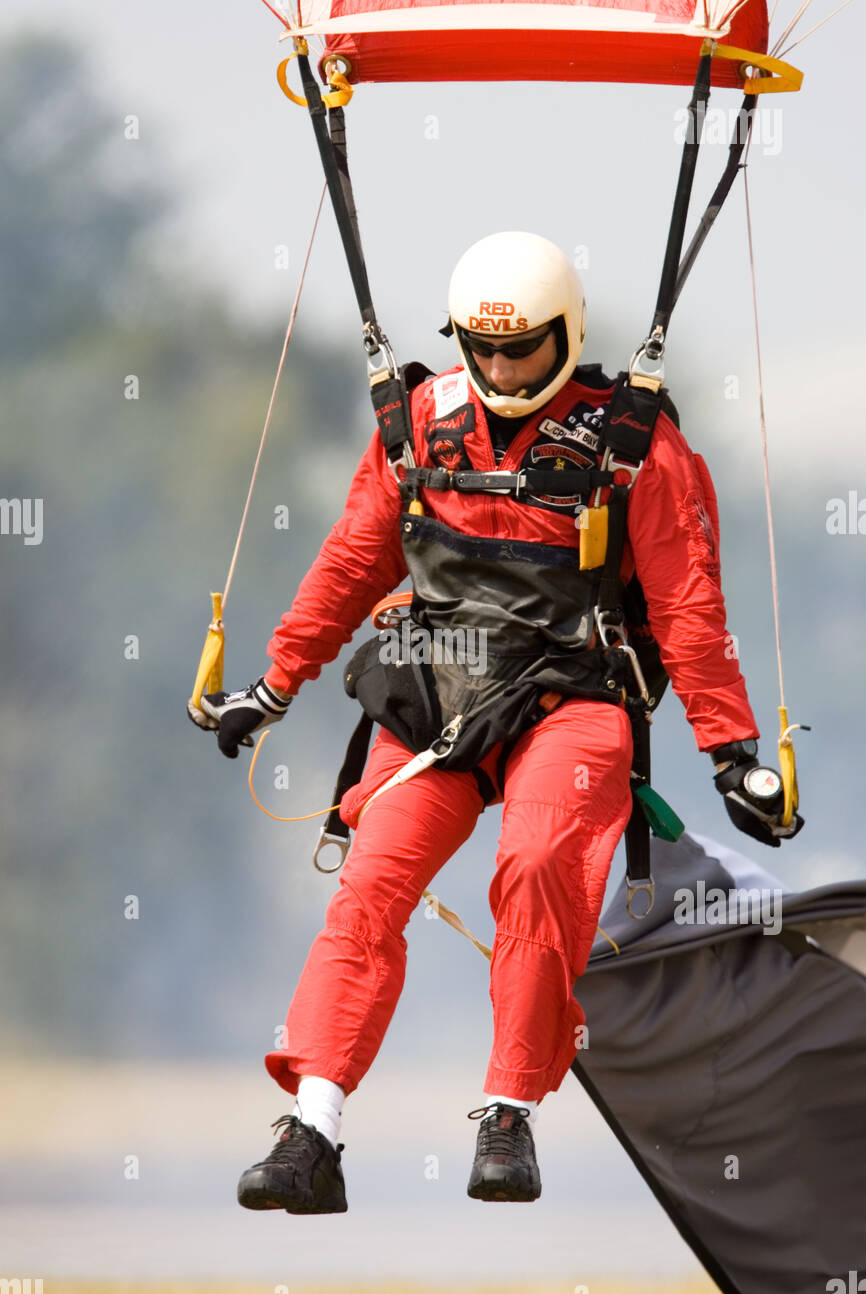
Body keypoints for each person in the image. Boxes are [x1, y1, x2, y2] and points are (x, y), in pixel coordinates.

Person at [190, 231, 802, 1215]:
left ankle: (508, 1108)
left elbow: (687, 604)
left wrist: (731, 751)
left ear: (568, 334)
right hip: (439, 701)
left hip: (571, 702)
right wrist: (272, 683)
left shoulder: (632, 439)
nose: (502, 367)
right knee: (368, 889)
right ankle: (313, 1129)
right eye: (482, 347)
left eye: (521, 348)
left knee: (536, 864)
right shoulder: (418, 424)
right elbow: (351, 564)